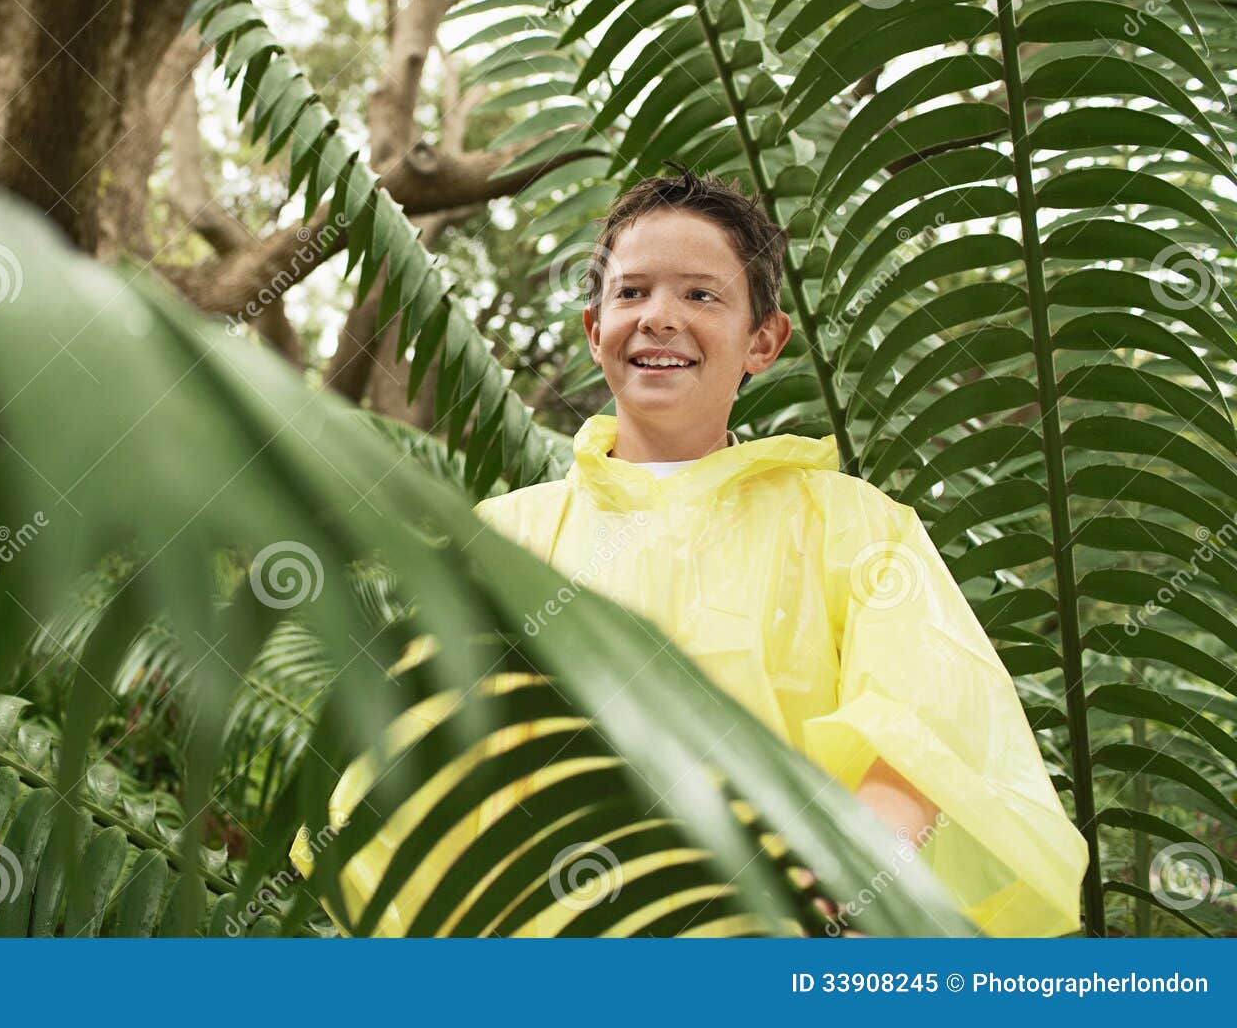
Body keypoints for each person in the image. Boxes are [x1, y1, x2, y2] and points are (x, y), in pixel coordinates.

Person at [292, 166, 1088, 938]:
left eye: (701, 294)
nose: (660, 317)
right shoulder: (502, 539)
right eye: (631, 292)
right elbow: (411, 762)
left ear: (763, 340)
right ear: (595, 330)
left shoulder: (855, 528)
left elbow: (926, 735)